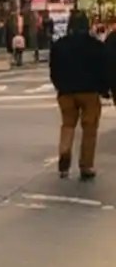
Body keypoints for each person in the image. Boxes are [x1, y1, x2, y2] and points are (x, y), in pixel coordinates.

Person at [50, 11, 107, 180]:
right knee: (89, 128)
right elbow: (103, 70)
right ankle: (86, 165)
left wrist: (59, 85)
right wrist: (104, 89)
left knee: (67, 125)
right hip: (89, 91)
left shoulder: (59, 45)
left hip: (66, 92)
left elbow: (53, 70)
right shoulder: (96, 46)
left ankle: (64, 160)